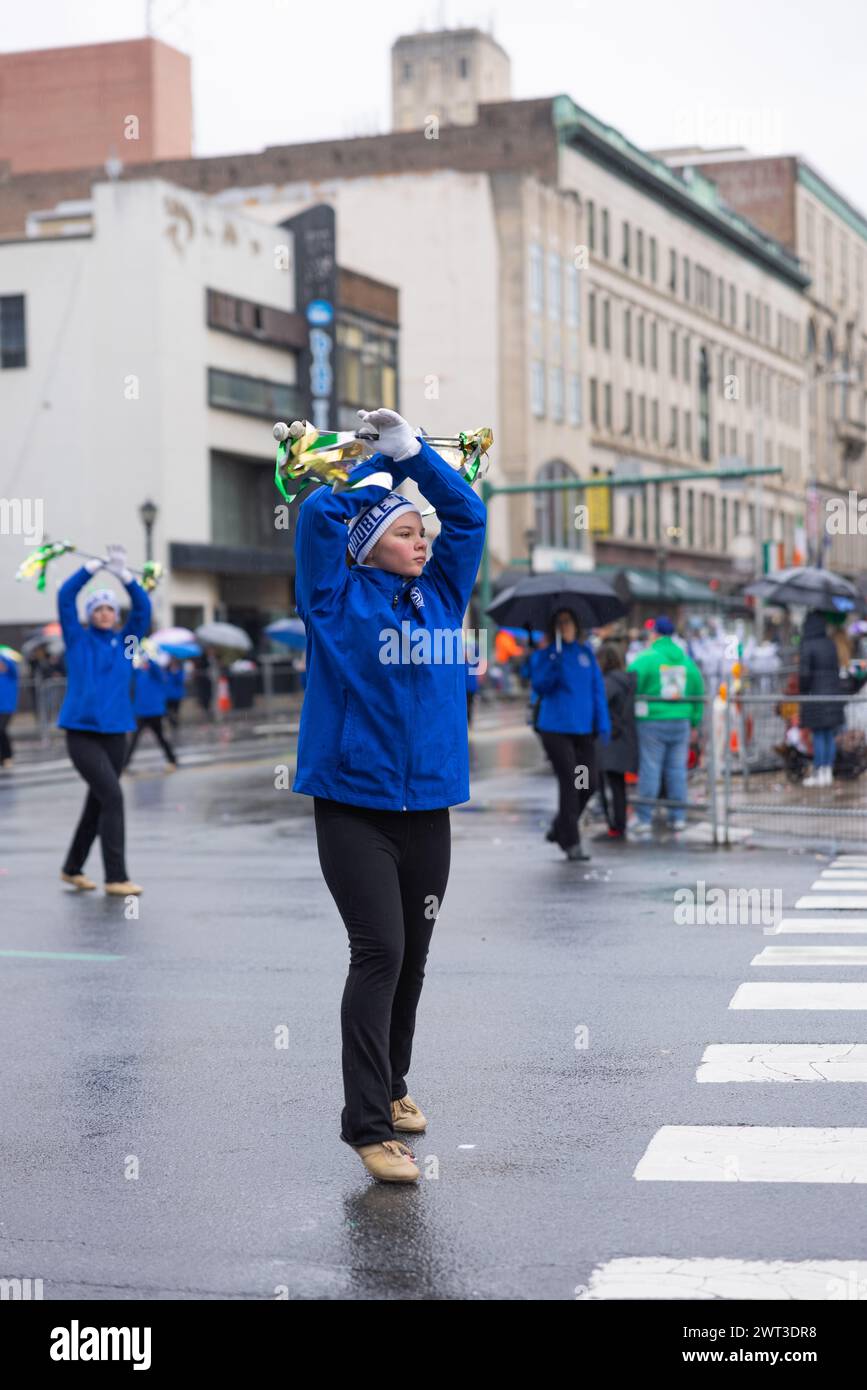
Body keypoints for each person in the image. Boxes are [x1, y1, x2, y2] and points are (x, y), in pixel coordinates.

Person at [293, 406, 486, 1184]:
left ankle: (395, 1087)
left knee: (414, 960)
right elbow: (314, 516)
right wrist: (365, 475)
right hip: (352, 807)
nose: (424, 541)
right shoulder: (335, 603)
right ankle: (369, 1128)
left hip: (428, 807)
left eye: (422, 534)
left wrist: (412, 461)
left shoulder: (441, 598)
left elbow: (465, 517)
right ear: (371, 541)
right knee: (379, 954)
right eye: (408, 532)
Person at [57, 547, 150, 894]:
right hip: (81, 734)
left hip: (116, 734)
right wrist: (91, 569)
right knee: (112, 797)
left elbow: (143, 609)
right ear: (90, 615)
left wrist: (125, 577)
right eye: (99, 609)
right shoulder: (77, 639)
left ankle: (72, 867)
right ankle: (116, 877)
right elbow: (66, 596)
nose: (106, 613)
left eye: (110, 608)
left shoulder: (127, 643)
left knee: (98, 801)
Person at [529, 608, 611, 861]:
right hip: (555, 729)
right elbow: (539, 685)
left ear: (576, 625)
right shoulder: (547, 654)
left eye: (568, 622)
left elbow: (597, 690)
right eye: (559, 622)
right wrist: (553, 662)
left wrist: (603, 723)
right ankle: (571, 842)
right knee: (570, 783)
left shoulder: (586, 654)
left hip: (583, 730)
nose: (564, 626)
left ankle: (560, 826)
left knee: (587, 784)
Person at [628, 615, 704, 837]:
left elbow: (631, 681)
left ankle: (644, 818)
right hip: (681, 721)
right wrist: (695, 721)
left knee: (651, 769)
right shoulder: (685, 660)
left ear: (655, 634)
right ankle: (677, 817)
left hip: (652, 721)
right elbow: (698, 689)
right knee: (676, 770)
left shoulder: (646, 658)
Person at [596, 642, 638, 839]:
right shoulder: (627, 680)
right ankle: (619, 825)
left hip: (609, 739)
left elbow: (599, 704)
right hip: (624, 739)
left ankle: (613, 825)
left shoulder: (608, 682)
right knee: (618, 785)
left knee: (593, 780)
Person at [799, 610, 844, 787]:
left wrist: (803, 690)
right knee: (829, 735)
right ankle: (828, 771)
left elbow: (804, 674)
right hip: (832, 695)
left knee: (818, 734)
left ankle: (819, 770)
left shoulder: (808, 645)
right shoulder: (830, 644)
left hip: (815, 696)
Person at [125, 655, 178, 771]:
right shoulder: (138, 674)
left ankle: (172, 760)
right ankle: (124, 764)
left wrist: (148, 658)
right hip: (141, 712)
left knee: (161, 737)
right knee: (133, 740)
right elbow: (129, 670)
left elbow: (156, 670)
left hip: (154, 712)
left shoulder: (155, 674)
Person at [0, 652, 19, 769]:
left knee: (1, 729)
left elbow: (13, 668)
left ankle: (8, 755)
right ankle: (2, 757)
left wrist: (4, 660)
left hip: (7, 707)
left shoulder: (9, 674)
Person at [164, 659, 186, 729]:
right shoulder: (166, 673)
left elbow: (181, 681)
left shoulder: (179, 673)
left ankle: (175, 723)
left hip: (176, 695)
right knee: (168, 710)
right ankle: (171, 721)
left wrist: (176, 674)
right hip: (168, 695)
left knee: (175, 710)